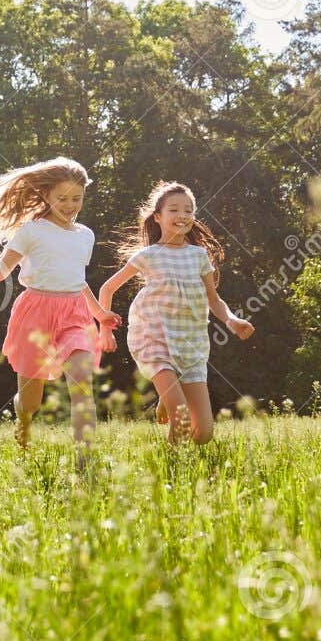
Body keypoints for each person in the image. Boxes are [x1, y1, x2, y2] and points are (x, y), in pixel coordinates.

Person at [0, 156, 119, 467]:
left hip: (75, 314)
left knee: (81, 380)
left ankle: (84, 460)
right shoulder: (32, 230)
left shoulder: (85, 235)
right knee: (31, 401)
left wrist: (100, 313)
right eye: (62, 198)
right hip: (35, 313)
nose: (69, 204)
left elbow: (78, 281)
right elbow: (3, 266)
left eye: (76, 198)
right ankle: (22, 420)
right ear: (46, 195)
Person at [98, 180, 254, 444]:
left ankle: (167, 396)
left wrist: (231, 319)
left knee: (203, 434)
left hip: (190, 342)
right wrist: (104, 329)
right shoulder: (149, 255)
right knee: (180, 421)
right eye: (174, 210)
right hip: (154, 338)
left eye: (188, 210)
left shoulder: (198, 256)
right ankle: (171, 471)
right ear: (157, 217)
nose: (182, 215)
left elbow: (213, 300)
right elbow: (107, 288)